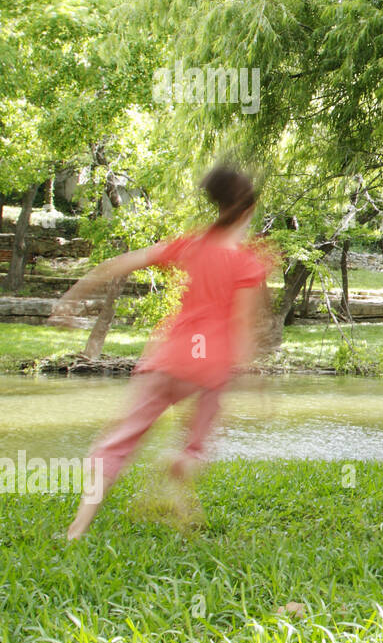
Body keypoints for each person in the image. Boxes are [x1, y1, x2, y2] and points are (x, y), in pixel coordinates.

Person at [53, 166, 272, 539]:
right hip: (210, 366)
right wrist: (252, 377)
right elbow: (244, 327)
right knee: (195, 442)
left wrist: (68, 299)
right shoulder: (247, 262)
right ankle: (183, 459)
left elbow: (116, 265)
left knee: (117, 444)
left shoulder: (189, 244)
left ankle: (77, 528)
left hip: (168, 358)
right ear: (249, 210)